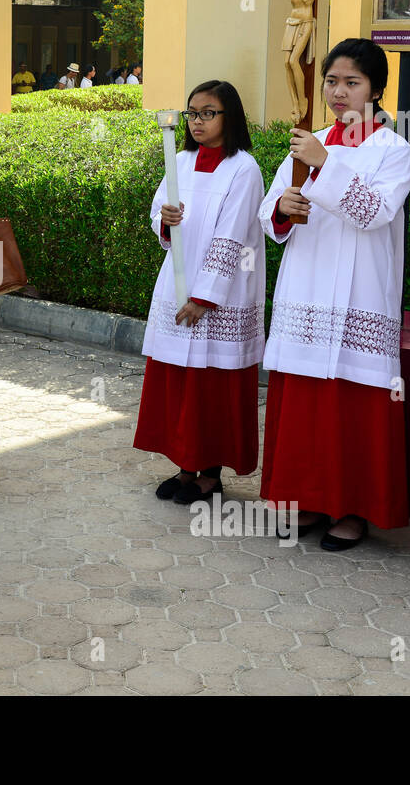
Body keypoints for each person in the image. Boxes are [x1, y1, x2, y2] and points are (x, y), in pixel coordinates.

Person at [258, 38, 410, 550]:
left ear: (376, 88)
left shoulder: (394, 150)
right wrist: (283, 206)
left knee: (354, 407)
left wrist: (325, 163)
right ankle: (304, 500)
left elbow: (374, 212)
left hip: (361, 296)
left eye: (353, 82)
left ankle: (353, 510)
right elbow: (270, 212)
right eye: (332, 81)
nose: (339, 92)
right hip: (306, 287)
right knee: (306, 405)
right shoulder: (307, 142)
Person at [136, 81, 266, 504]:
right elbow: (159, 209)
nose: (197, 122)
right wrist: (164, 219)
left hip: (220, 294)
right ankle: (184, 466)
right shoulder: (180, 160)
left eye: (208, 113)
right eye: (192, 113)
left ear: (230, 117)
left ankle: (210, 473)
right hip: (177, 282)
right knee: (179, 382)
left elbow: (233, 238)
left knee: (211, 386)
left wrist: (205, 297)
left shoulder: (243, 168)